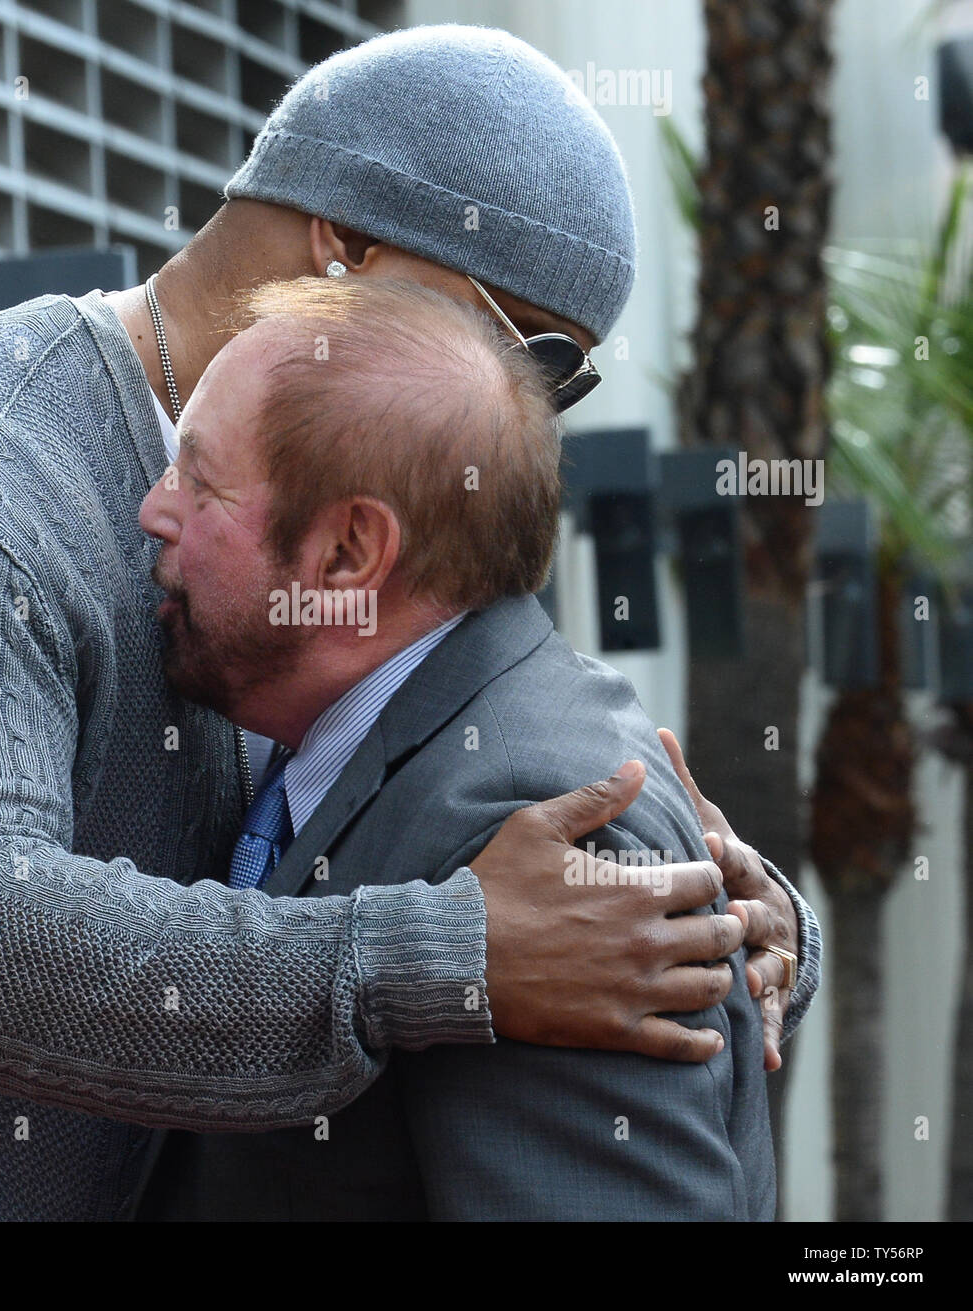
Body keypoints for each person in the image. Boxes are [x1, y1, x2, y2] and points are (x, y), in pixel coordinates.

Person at [0, 25, 817, 1222]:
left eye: (557, 384)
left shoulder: (325, 532)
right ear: (345, 257)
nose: (517, 408)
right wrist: (447, 958)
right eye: (519, 347)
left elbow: (451, 759)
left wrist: (726, 922)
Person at [136, 276, 780, 1220]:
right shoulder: (360, 733)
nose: (157, 509)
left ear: (349, 554)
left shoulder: (551, 843)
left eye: (200, 480)